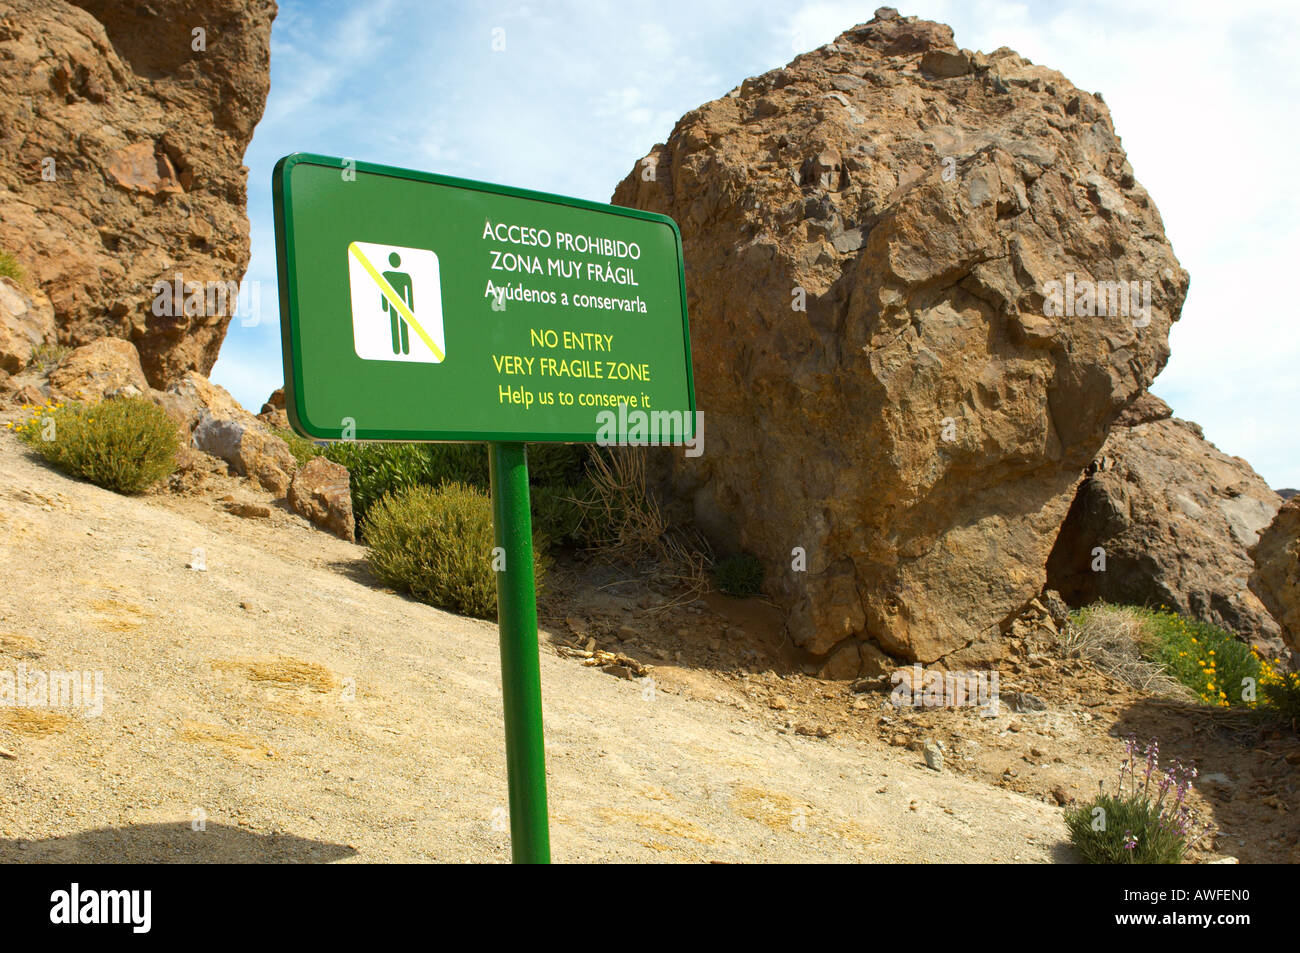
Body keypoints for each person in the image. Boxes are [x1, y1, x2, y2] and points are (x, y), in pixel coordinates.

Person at [381, 251, 414, 355]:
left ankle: (405, 348)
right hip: (394, 305)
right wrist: (385, 305)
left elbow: (409, 291)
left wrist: (411, 307)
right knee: (395, 324)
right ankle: (397, 349)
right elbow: (384, 292)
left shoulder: (405, 276)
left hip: (403, 305)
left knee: (402, 325)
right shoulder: (386, 275)